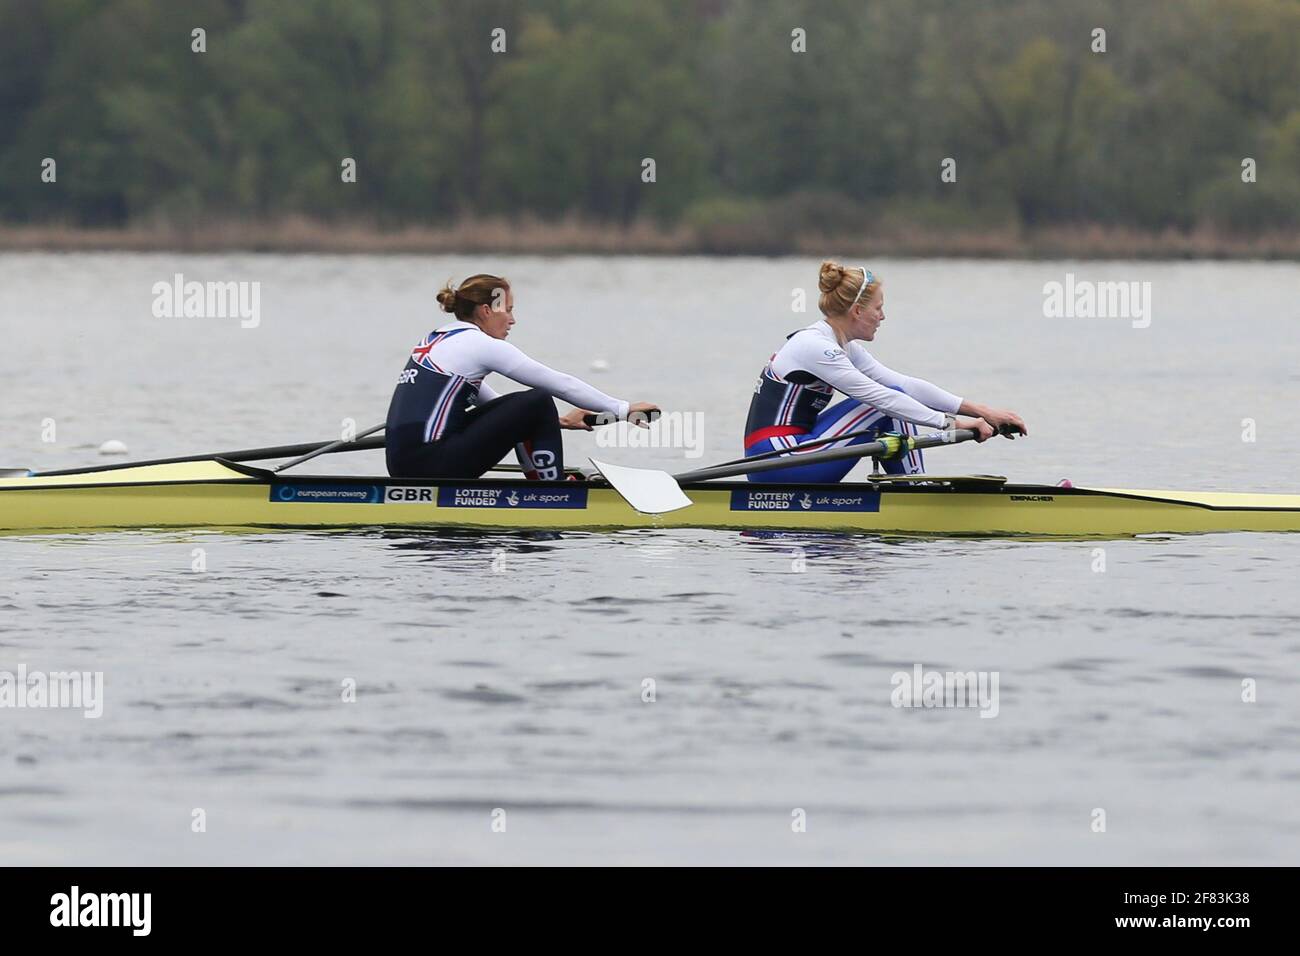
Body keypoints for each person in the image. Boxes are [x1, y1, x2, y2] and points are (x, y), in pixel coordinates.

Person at [742, 260, 1026, 482]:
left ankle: (908, 489)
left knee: (896, 397)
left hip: (790, 456)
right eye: (878, 308)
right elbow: (884, 399)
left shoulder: (838, 344)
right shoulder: (815, 347)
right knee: (887, 405)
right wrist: (953, 424)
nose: (883, 316)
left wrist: (982, 412)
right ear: (856, 311)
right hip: (779, 461)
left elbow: (906, 385)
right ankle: (913, 491)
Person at [386, 274, 658, 480]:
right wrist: (623, 409)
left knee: (530, 409)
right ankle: (551, 494)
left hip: (403, 464)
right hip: (430, 466)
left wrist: (557, 422)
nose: (513, 320)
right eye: (509, 309)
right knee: (538, 400)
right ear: (486, 310)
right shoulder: (480, 344)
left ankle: (540, 487)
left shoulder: (438, 339)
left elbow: (497, 408)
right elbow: (557, 383)